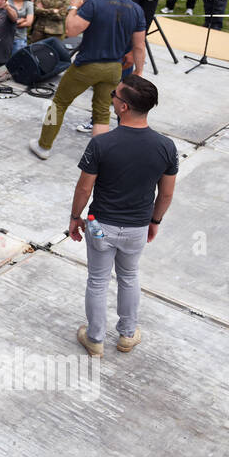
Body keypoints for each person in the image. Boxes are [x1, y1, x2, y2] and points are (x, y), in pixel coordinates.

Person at [67, 75, 178, 358]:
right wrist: (155, 222)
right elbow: (165, 195)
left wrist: (75, 217)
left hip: (99, 226)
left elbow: (84, 187)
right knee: (129, 276)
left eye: (116, 95)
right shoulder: (166, 147)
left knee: (98, 280)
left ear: (124, 107)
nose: (112, 98)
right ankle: (127, 336)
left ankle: (95, 339)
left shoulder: (101, 144)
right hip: (136, 228)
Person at [30, 0, 146, 160]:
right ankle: (97, 157)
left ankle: (43, 146)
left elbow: (71, 30)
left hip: (87, 65)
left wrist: (73, 7)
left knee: (58, 103)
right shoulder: (136, 9)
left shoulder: (95, 3)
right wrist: (139, 72)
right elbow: (139, 46)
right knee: (101, 111)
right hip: (114, 69)